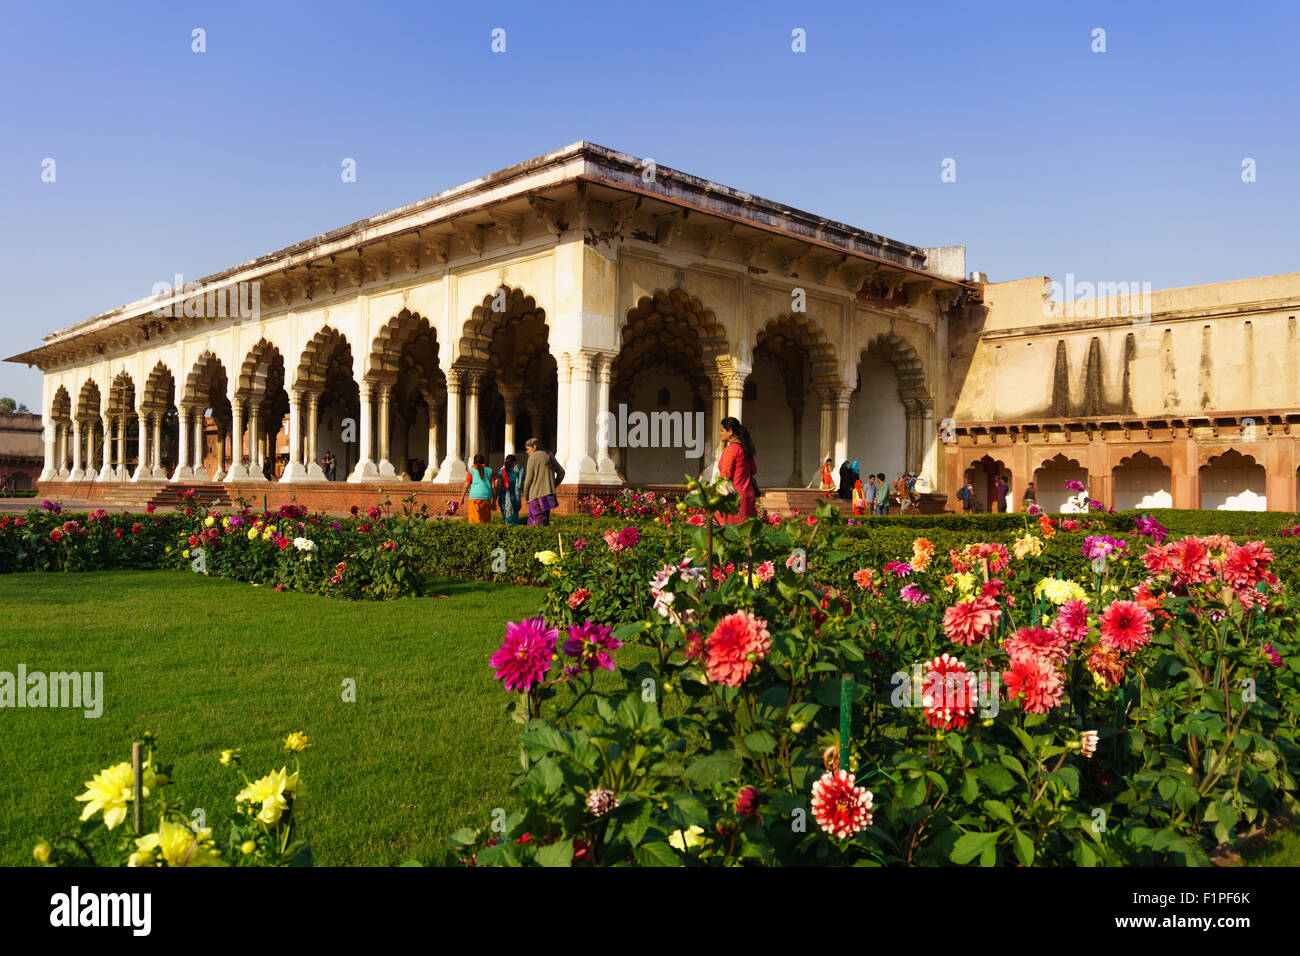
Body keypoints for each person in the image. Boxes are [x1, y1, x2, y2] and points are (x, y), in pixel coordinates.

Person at [717, 416, 759, 523]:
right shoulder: (745, 449)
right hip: (748, 495)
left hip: (735, 499)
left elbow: (725, 477)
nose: (719, 433)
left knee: (728, 531)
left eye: (722, 430)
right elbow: (753, 470)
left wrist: (717, 500)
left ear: (730, 431)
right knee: (746, 533)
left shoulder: (731, 449)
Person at [521, 437, 565, 526]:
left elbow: (528, 479)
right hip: (548, 496)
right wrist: (552, 485)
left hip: (536, 496)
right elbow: (561, 473)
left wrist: (526, 496)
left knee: (535, 524)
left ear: (534, 447)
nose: (527, 452)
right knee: (545, 521)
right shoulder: (549, 455)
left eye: (528, 449)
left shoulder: (532, 458)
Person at [459, 453, 494, 523]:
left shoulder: (471, 470)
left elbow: (466, 485)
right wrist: (494, 501)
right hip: (486, 498)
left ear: (474, 462)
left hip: (474, 498)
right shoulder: (489, 470)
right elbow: (493, 486)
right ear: (484, 461)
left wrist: (462, 498)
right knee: (485, 522)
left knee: (474, 522)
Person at [498, 453, 523, 525]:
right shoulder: (515, 474)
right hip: (513, 499)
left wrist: (495, 499)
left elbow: (498, 486)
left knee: (506, 519)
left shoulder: (501, 472)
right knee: (514, 521)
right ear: (514, 463)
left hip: (503, 499)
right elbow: (518, 488)